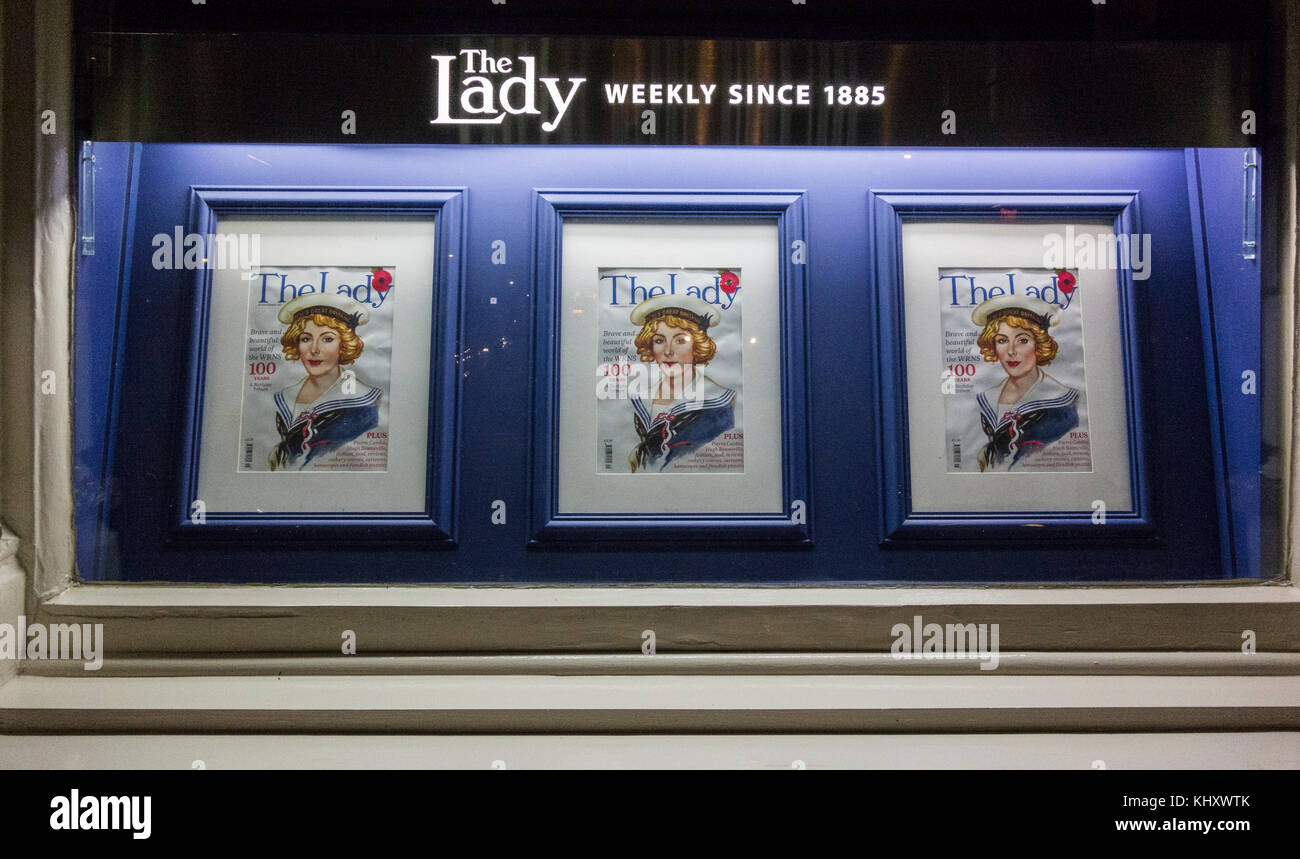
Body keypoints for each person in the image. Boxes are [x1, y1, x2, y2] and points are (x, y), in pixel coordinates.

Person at [268, 292, 382, 470]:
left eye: (327, 339)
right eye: (305, 339)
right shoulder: (282, 399)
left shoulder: (364, 404)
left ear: (344, 344)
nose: (314, 349)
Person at [626, 295, 736, 472]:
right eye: (659, 340)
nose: (668, 351)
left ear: (698, 346)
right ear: (651, 346)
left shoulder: (720, 402)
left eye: (680, 340)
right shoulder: (640, 398)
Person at [970, 295, 1081, 472]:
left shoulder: (1065, 403)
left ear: (1038, 345)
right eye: (1002, 340)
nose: (1011, 351)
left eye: (1022, 340)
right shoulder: (984, 400)